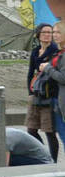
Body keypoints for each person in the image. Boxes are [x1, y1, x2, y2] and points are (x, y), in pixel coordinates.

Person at [26, 22, 59, 162]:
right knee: (31, 130)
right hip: (36, 94)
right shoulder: (35, 51)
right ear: (38, 34)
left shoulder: (55, 50)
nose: (48, 35)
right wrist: (30, 91)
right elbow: (30, 73)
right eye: (45, 32)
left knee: (49, 131)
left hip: (49, 95)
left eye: (50, 32)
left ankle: (53, 162)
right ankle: (43, 154)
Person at [38, 22, 65, 157]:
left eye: (58, 32)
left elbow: (63, 78)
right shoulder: (59, 52)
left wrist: (47, 68)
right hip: (58, 99)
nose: (54, 35)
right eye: (54, 32)